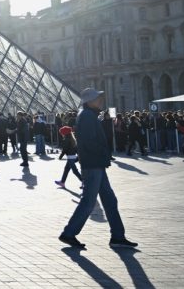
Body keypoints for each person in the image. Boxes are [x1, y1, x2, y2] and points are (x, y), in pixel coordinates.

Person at [59, 88, 137, 249]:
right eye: (97, 98)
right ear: (89, 101)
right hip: (93, 164)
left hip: (96, 164)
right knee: (88, 201)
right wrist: (103, 154)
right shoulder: (87, 117)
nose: (100, 100)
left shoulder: (88, 115)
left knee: (109, 200)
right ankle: (69, 233)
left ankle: (118, 236)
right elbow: (89, 142)